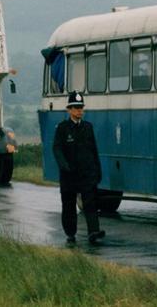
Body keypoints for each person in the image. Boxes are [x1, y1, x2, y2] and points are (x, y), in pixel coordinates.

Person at [53, 91, 105, 244]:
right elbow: (57, 149)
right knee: (68, 205)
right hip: (69, 174)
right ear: (69, 110)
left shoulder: (88, 127)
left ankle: (93, 232)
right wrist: (64, 166)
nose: (79, 111)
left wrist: (97, 170)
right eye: (75, 108)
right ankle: (70, 232)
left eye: (81, 107)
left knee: (90, 203)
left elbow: (93, 150)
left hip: (86, 173)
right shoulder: (62, 128)